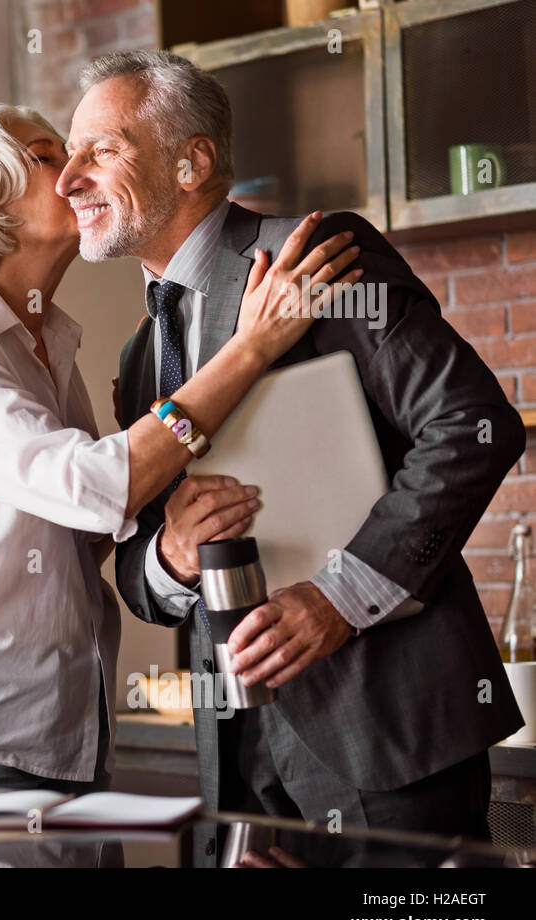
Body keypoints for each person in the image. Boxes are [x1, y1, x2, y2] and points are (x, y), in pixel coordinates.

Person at [59, 50, 524, 837]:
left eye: (101, 148)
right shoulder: (143, 354)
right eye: (69, 153)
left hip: (389, 738)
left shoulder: (315, 253)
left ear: (190, 161)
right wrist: (171, 555)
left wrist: (338, 598)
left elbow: (472, 426)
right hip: (241, 770)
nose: (69, 177)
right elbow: (138, 575)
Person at [0, 103, 359, 793]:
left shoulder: (47, 345)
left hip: (64, 744)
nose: (74, 170)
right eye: (47, 154)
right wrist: (252, 346)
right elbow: (96, 486)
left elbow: (77, 527)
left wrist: (166, 522)